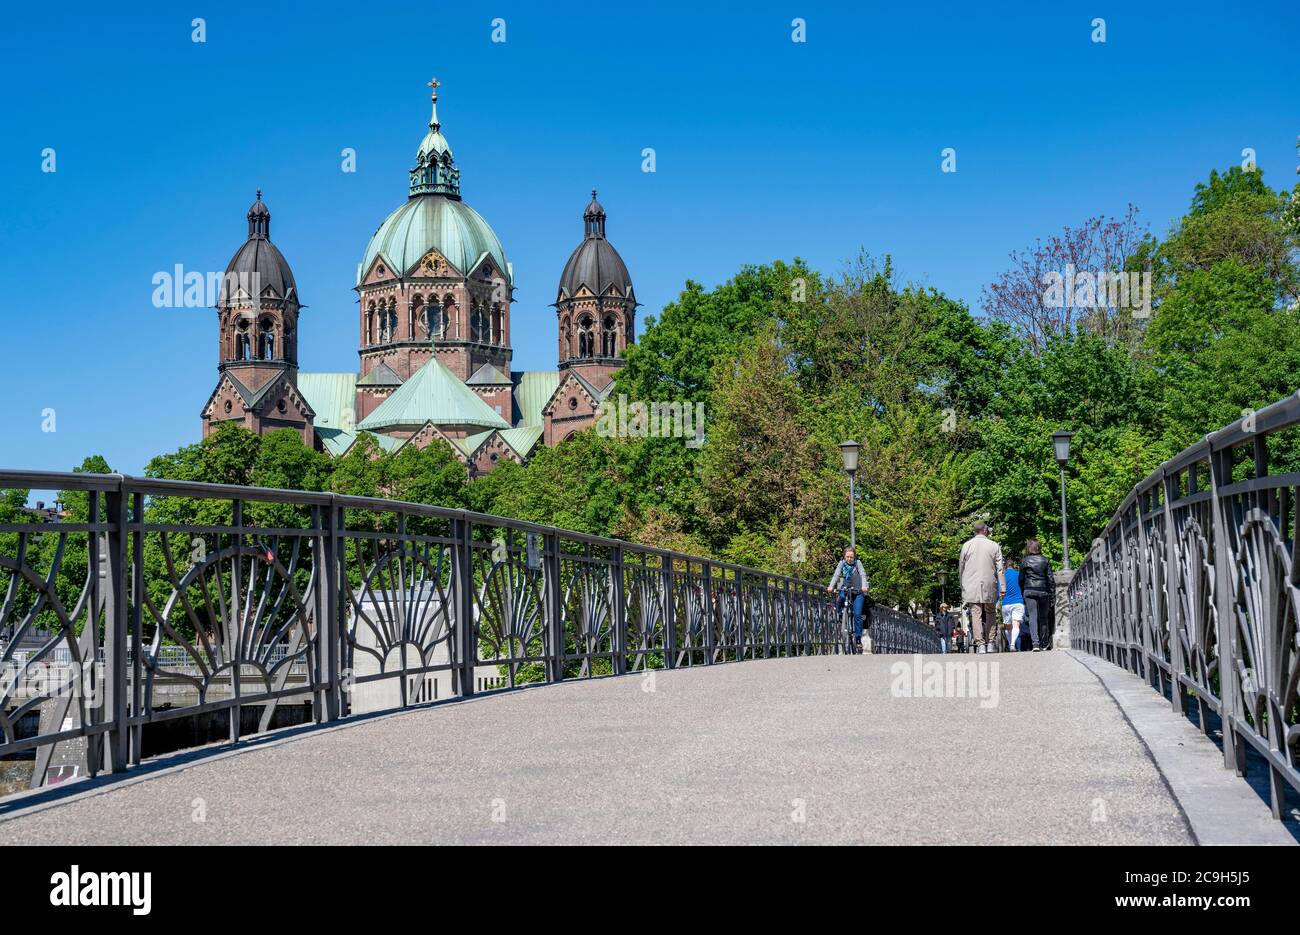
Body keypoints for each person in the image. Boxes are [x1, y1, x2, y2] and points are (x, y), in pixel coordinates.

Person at [959, 521, 1005, 653]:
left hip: (971, 583)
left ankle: (980, 645)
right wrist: (1002, 587)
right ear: (985, 530)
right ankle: (990, 642)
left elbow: (961, 568)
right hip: (989, 582)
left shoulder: (967, 545)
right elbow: (1000, 569)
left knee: (976, 613)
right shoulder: (994, 545)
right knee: (991, 612)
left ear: (975, 531)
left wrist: (962, 585)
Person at [826, 546, 870, 652]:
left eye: (851, 557)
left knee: (857, 614)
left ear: (854, 557)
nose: (849, 559)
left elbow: (863, 574)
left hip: (858, 591)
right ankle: (841, 615)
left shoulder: (858, 563)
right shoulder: (841, 563)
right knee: (840, 599)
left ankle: (858, 639)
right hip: (846, 588)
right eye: (847, 557)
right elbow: (836, 575)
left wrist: (864, 587)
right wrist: (831, 586)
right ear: (844, 556)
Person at [1019, 538, 1056, 651]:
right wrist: (1052, 594)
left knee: (1032, 617)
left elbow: (1021, 579)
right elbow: (1050, 579)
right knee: (1043, 617)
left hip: (1029, 590)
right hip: (1043, 591)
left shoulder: (1024, 561)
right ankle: (1044, 643)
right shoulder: (1045, 560)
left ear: (1029, 548)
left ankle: (1035, 643)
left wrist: (1023, 591)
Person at [1002, 558, 1026, 651]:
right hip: (1018, 602)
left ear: (1005, 566)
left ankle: (1010, 644)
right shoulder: (1019, 574)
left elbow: (1000, 590)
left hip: (1006, 603)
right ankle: (1012, 644)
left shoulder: (1002, 576)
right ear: (1013, 565)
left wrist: (996, 600)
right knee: (1016, 624)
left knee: (1008, 626)